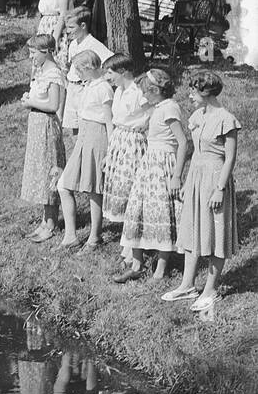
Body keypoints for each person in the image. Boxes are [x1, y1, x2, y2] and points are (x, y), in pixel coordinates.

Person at [163, 70, 241, 313]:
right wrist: (187, 183)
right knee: (191, 230)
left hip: (216, 179)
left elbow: (230, 159)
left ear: (206, 93)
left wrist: (219, 189)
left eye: (193, 91)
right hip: (197, 177)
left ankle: (210, 289)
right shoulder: (198, 115)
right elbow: (195, 151)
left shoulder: (226, 119)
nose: (189, 95)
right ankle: (187, 285)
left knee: (215, 234)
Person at [115, 69, 186, 284]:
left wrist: (176, 176)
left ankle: (161, 268)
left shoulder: (170, 108)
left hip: (163, 165)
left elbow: (182, 142)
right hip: (148, 165)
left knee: (162, 212)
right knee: (136, 209)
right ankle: (137, 264)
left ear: (156, 90)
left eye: (146, 91)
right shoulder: (158, 107)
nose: (143, 95)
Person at [56, 50, 114, 250]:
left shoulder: (104, 88)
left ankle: (94, 237)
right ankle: (70, 236)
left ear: (89, 68)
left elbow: (109, 121)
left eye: (79, 70)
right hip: (84, 136)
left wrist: (111, 150)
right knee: (63, 185)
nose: (77, 74)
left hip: (98, 137)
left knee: (94, 188)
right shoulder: (89, 85)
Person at [19, 33, 67, 242]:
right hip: (37, 126)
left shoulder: (54, 74)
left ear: (46, 52)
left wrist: (32, 104)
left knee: (49, 169)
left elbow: (53, 105)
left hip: (47, 125)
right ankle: (44, 219)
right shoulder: (41, 71)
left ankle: (51, 222)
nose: (31, 57)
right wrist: (29, 99)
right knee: (40, 170)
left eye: (33, 53)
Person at [100, 53, 151, 239]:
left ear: (122, 71)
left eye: (110, 72)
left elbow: (152, 115)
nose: (107, 77)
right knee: (119, 187)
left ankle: (135, 235)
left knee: (131, 187)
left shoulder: (138, 92)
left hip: (133, 143)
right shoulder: (119, 91)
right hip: (119, 142)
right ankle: (128, 234)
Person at [60, 8, 111, 135]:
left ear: (83, 25)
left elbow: (110, 64)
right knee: (74, 126)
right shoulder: (73, 44)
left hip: (84, 89)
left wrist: (97, 81)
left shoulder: (94, 45)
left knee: (85, 125)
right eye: (67, 27)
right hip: (72, 88)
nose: (68, 31)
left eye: (71, 27)